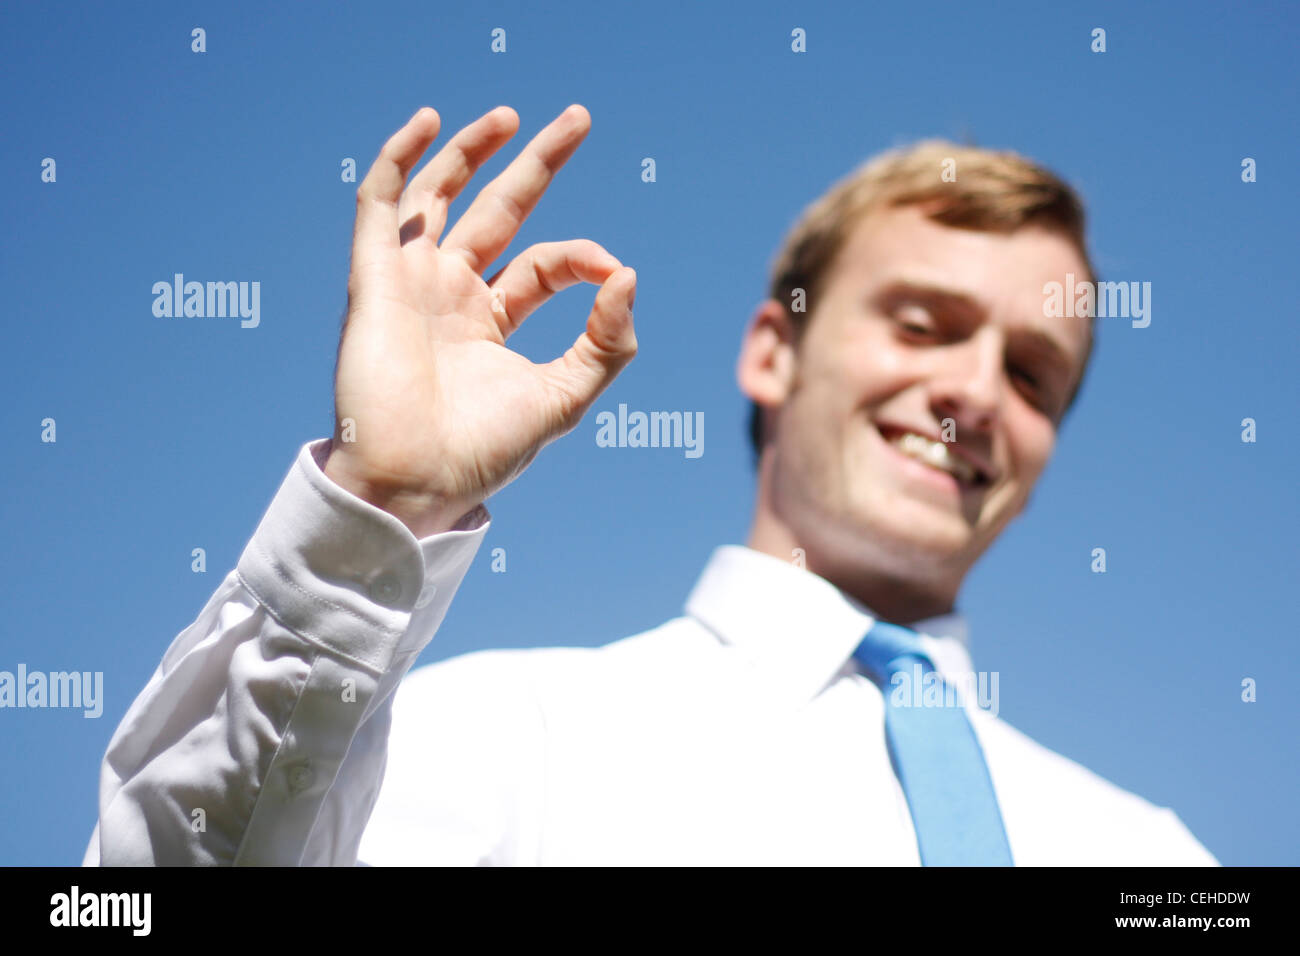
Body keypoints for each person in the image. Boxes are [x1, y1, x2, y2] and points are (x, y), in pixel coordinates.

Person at [84, 104, 1217, 866]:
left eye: (1031, 372)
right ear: (773, 350)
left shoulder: (1153, 854)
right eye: (922, 323)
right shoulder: (488, 734)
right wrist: (375, 508)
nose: (972, 390)